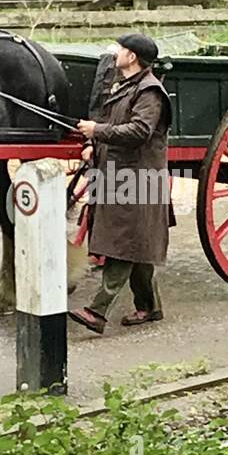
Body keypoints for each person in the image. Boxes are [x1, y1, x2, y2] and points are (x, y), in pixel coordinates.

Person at [68, 33, 174, 335]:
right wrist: (94, 146)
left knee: (123, 244)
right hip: (121, 173)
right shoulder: (127, 86)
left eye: (123, 49)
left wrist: (97, 130)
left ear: (133, 57)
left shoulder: (150, 92)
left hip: (138, 178)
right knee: (137, 241)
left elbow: (140, 130)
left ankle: (97, 311)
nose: (117, 53)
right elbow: (118, 125)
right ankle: (150, 306)